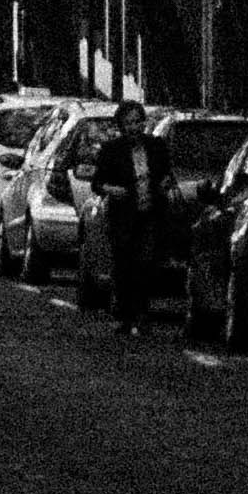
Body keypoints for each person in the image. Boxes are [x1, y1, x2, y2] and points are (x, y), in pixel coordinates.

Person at [87, 95, 172, 334]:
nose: (134, 127)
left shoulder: (156, 146)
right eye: (129, 123)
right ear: (121, 126)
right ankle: (124, 314)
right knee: (124, 264)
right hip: (123, 216)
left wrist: (163, 184)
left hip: (150, 214)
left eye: (138, 122)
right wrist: (112, 189)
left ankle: (142, 313)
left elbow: (166, 173)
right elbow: (97, 183)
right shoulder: (111, 150)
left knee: (145, 264)